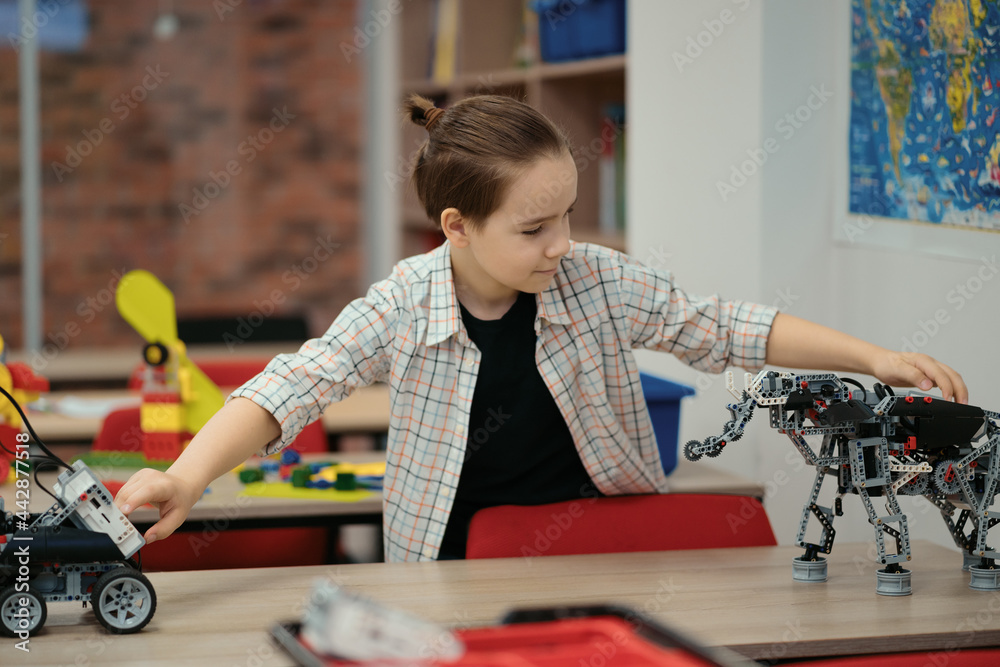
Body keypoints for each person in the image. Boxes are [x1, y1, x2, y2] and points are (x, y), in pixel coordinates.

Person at [114, 94, 967, 562]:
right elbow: (289, 388)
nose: (562, 244)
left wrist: (872, 356)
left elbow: (722, 328)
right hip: (446, 562)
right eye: (533, 229)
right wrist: (186, 479)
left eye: (566, 215)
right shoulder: (404, 302)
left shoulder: (595, 277)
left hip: (597, 546)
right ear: (456, 226)